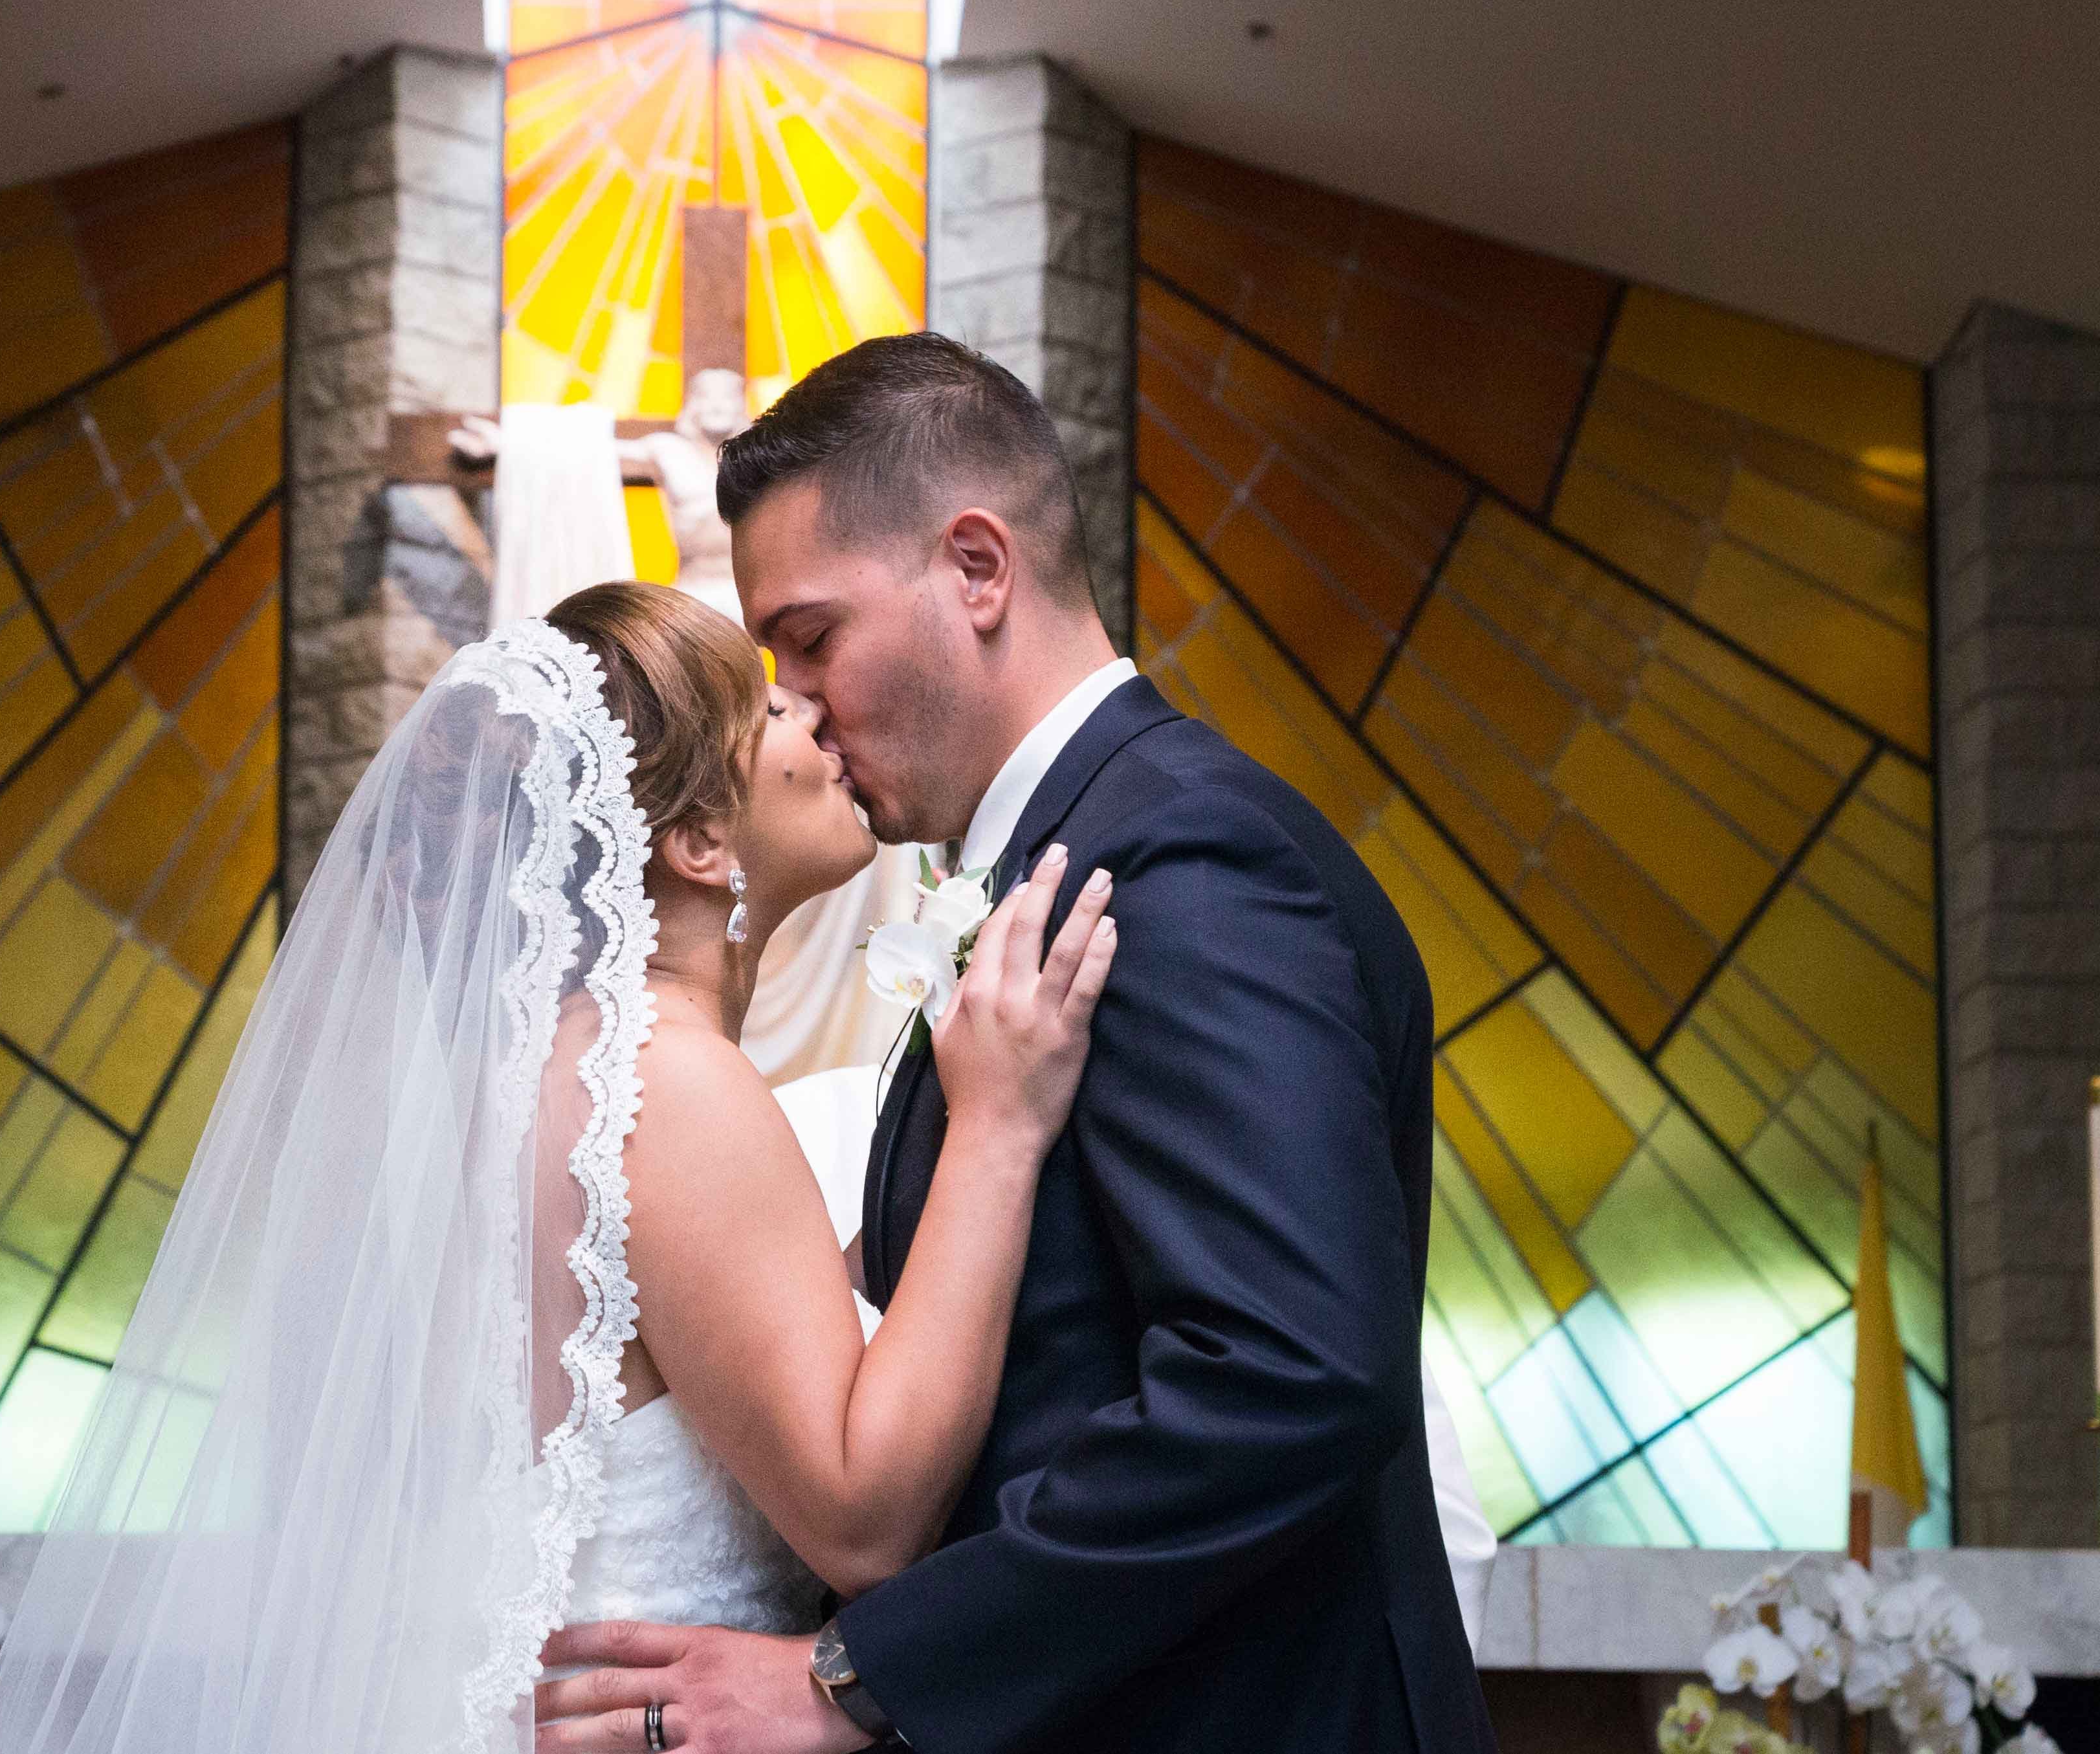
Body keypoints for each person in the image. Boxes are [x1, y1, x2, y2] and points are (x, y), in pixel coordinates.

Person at [536, 333, 1498, 1751]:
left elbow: (1286, 1368)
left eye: (812, 639)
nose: (800, 703)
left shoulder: (1181, 862)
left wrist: (857, 1678)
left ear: (978, 569)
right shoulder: (1064, 865)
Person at [0, 575, 1116, 1754]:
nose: (814, 712)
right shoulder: (662, 1082)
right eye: (770, 710)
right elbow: (865, 1520)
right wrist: (997, 1129)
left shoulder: (529, 1091)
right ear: (699, 841)